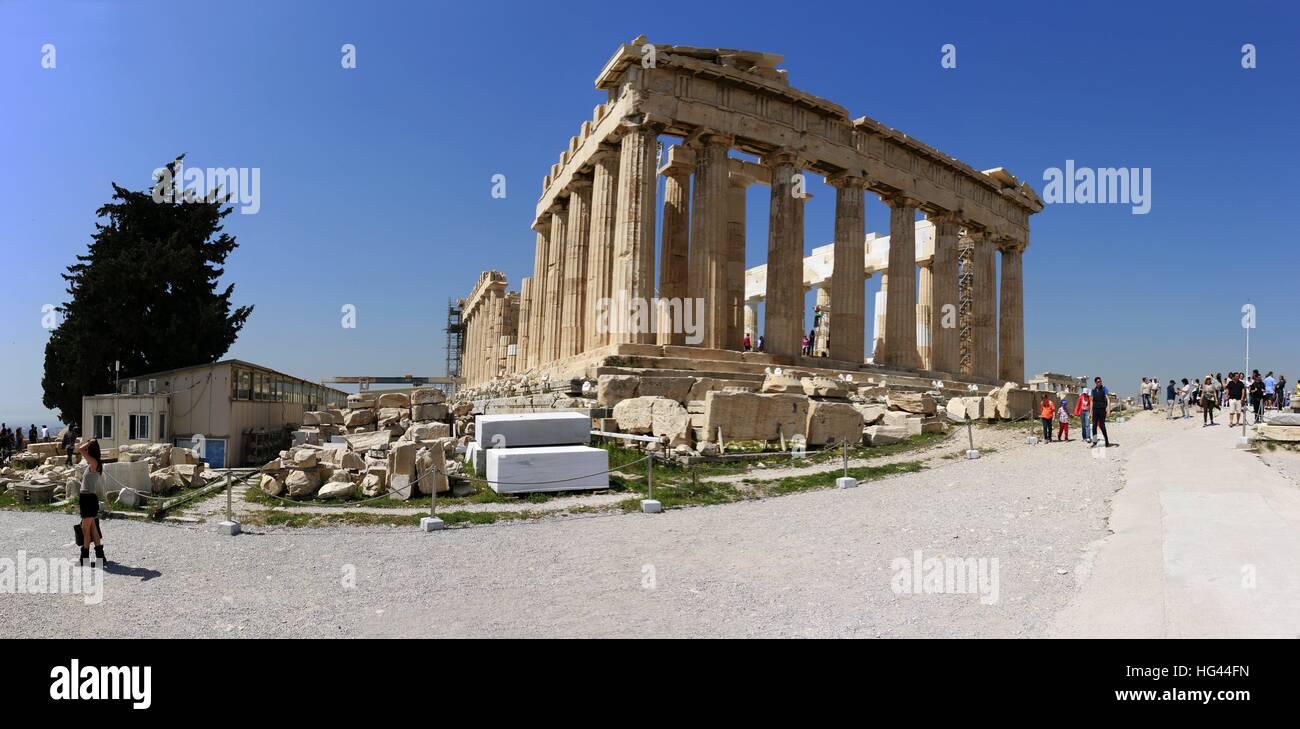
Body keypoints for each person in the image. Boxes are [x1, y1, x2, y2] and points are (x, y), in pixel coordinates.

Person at [76, 439, 106, 567]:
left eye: (89, 448)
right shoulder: (94, 463)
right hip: (87, 498)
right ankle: (100, 558)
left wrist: (89, 442)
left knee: (85, 529)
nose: (86, 450)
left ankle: (84, 558)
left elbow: (80, 449)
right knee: (92, 528)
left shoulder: (94, 462)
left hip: (88, 499)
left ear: (91, 449)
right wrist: (91, 442)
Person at [1091, 377, 1112, 447]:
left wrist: (1108, 409)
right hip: (1095, 410)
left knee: (1102, 426)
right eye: (1098, 381)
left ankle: (1106, 441)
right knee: (1094, 426)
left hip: (1102, 410)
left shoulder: (1104, 389)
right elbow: (1091, 401)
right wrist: (1090, 412)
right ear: (1095, 383)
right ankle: (1094, 442)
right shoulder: (1093, 390)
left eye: (1100, 381)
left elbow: (1108, 399)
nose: (1099, 382)